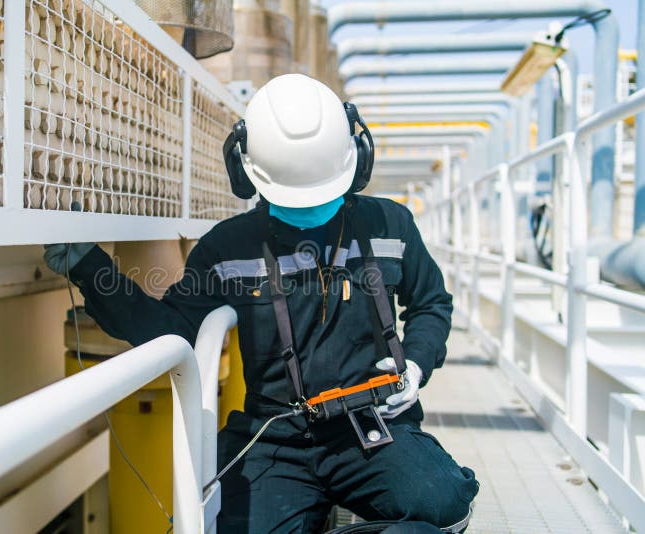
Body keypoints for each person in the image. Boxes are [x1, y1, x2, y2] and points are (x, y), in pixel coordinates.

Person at [45, 74, 478, 533]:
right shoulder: (227, 248)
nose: (311, 209)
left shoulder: (390, 224)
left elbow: (431, 303)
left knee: (445, 502)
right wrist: (89, 267)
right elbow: (169, 331)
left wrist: (414, 365)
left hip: (371, 425)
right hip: (276, 436)